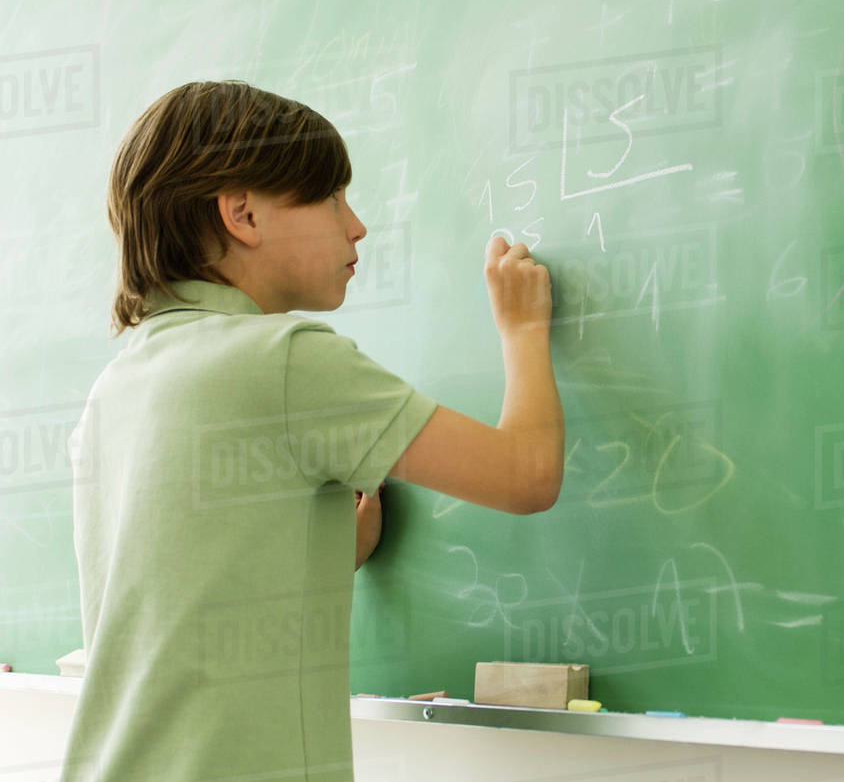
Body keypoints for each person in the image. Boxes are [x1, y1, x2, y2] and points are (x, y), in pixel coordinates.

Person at [60, 80, 563, 782]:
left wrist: (331, 549)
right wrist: (524, 328)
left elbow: (181, 591)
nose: (357, 226)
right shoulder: (284, 359)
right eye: (330, 197)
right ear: (243, 213)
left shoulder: (113, 391)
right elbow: (525, 475)